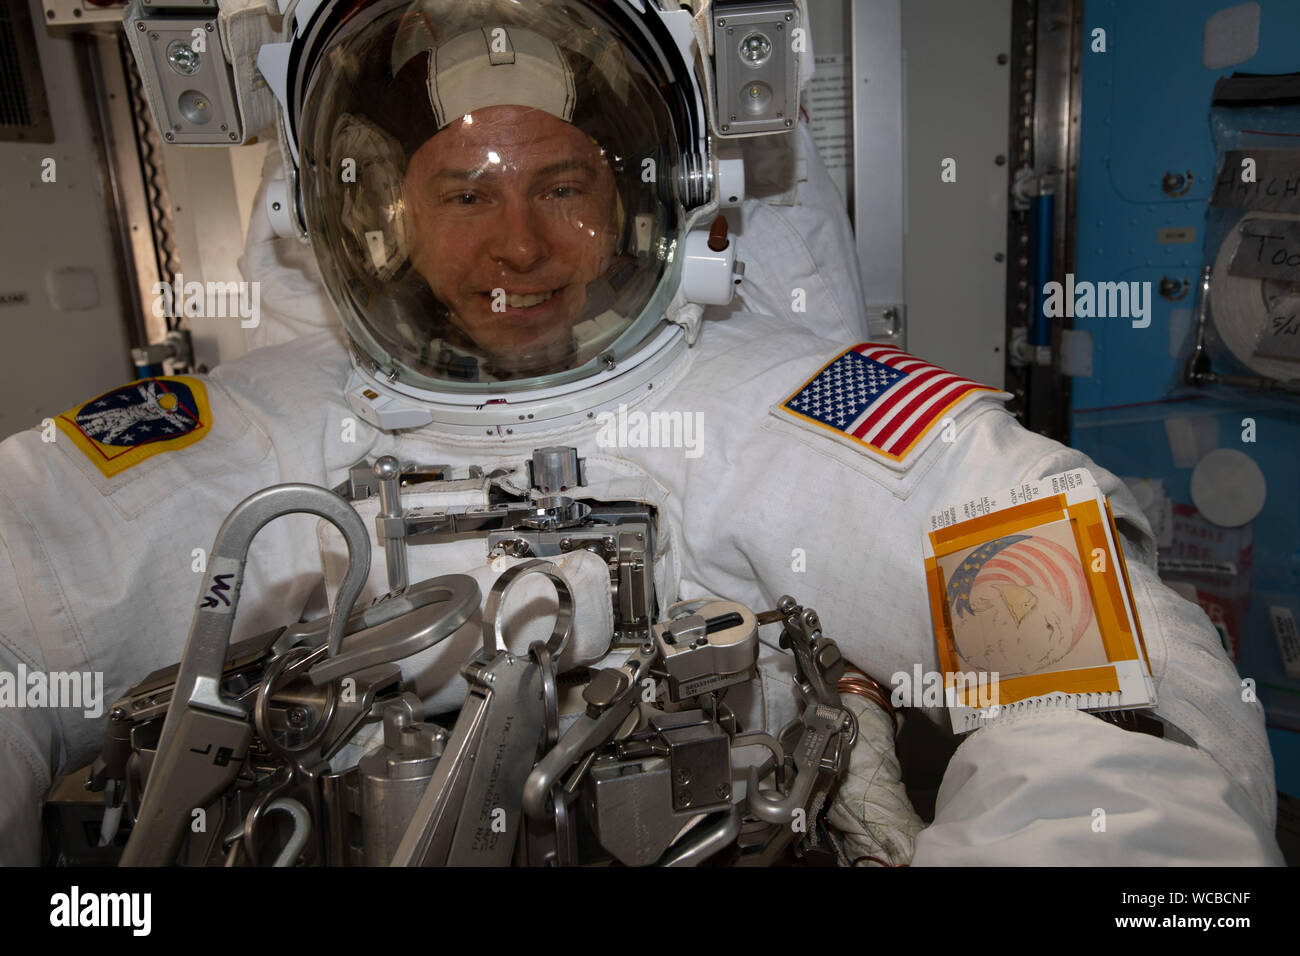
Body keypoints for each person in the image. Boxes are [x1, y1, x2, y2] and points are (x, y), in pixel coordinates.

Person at [0, 1, 1283, 866]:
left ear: (650, 197)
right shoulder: (250, 429)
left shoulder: (785, 403)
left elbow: (1104, 696)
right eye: (464, 193)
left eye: (564, 185)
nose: (518, 245)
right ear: (371, 210)